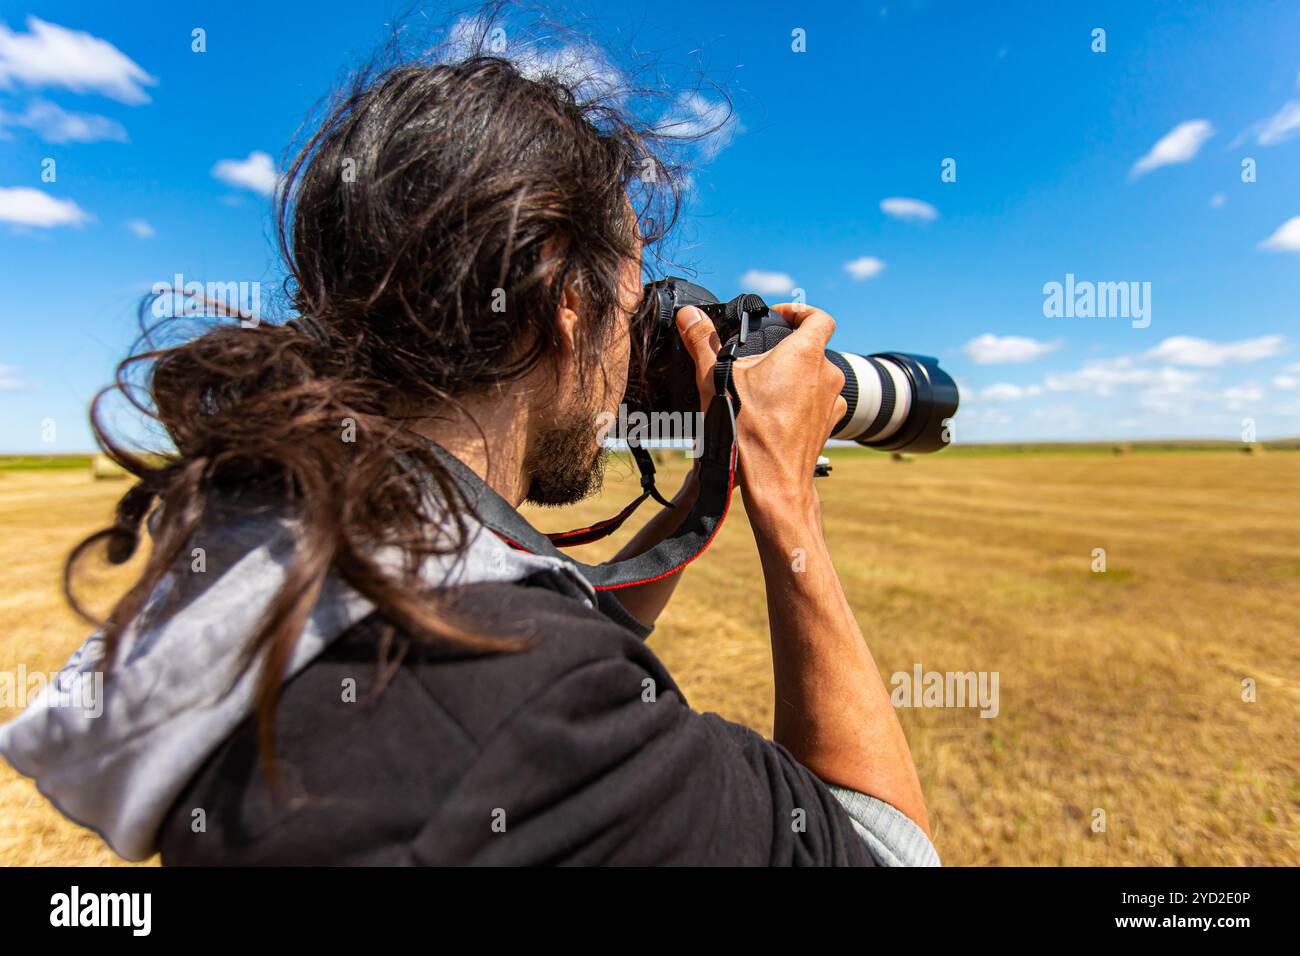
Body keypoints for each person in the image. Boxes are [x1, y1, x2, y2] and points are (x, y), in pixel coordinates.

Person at [0, 45, 937, 866]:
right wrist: (784, 499)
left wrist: (704, 487)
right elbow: (885, 853)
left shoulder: (274, 542)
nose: (625, 364)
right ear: (566, 296)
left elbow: (498, 596)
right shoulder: (530, 712)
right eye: (630, 297)